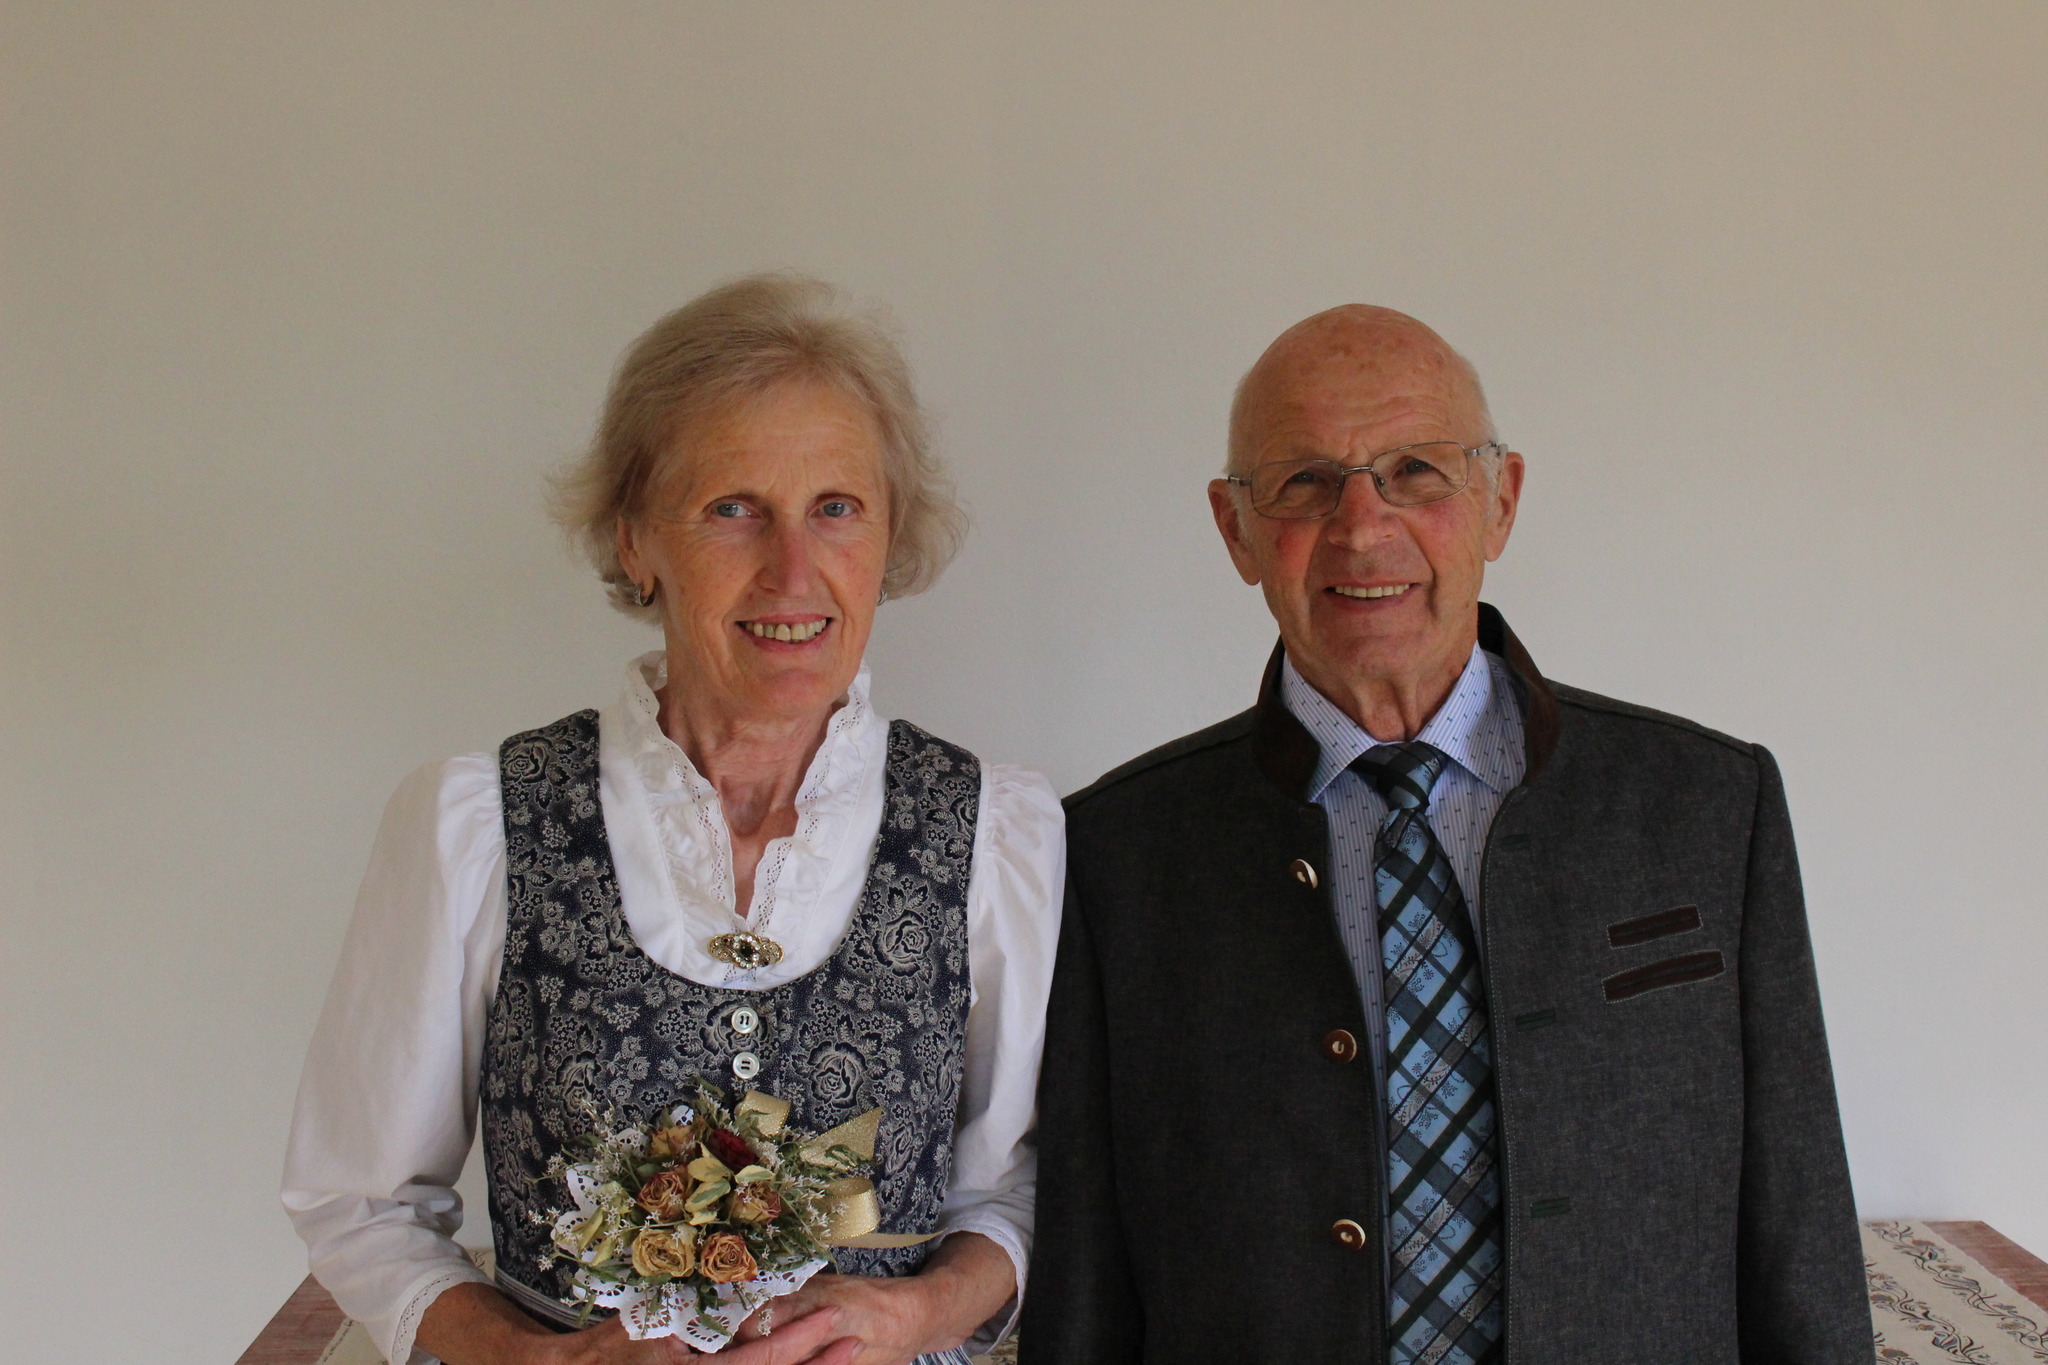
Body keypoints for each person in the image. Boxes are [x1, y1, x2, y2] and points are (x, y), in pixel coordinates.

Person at [1022, 305, 1868, 1363]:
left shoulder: (1705, 806)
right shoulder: (1116, 852)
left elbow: (1797, 1221)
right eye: (1302, 483)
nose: (1362, 528)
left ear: (1499, 501)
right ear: (1234, 529)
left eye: (1414, 471)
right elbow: (1083, 1266)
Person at [284, 274, 1062, 1365]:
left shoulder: (993, 832)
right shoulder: (475, 824)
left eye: (836, 508)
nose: (793, 570)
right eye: (732, 508)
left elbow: (1018, 1186)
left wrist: (917, 1313)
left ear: (889, 539)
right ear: (636, 543)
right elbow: (359, 1202)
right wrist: (537, 1360)